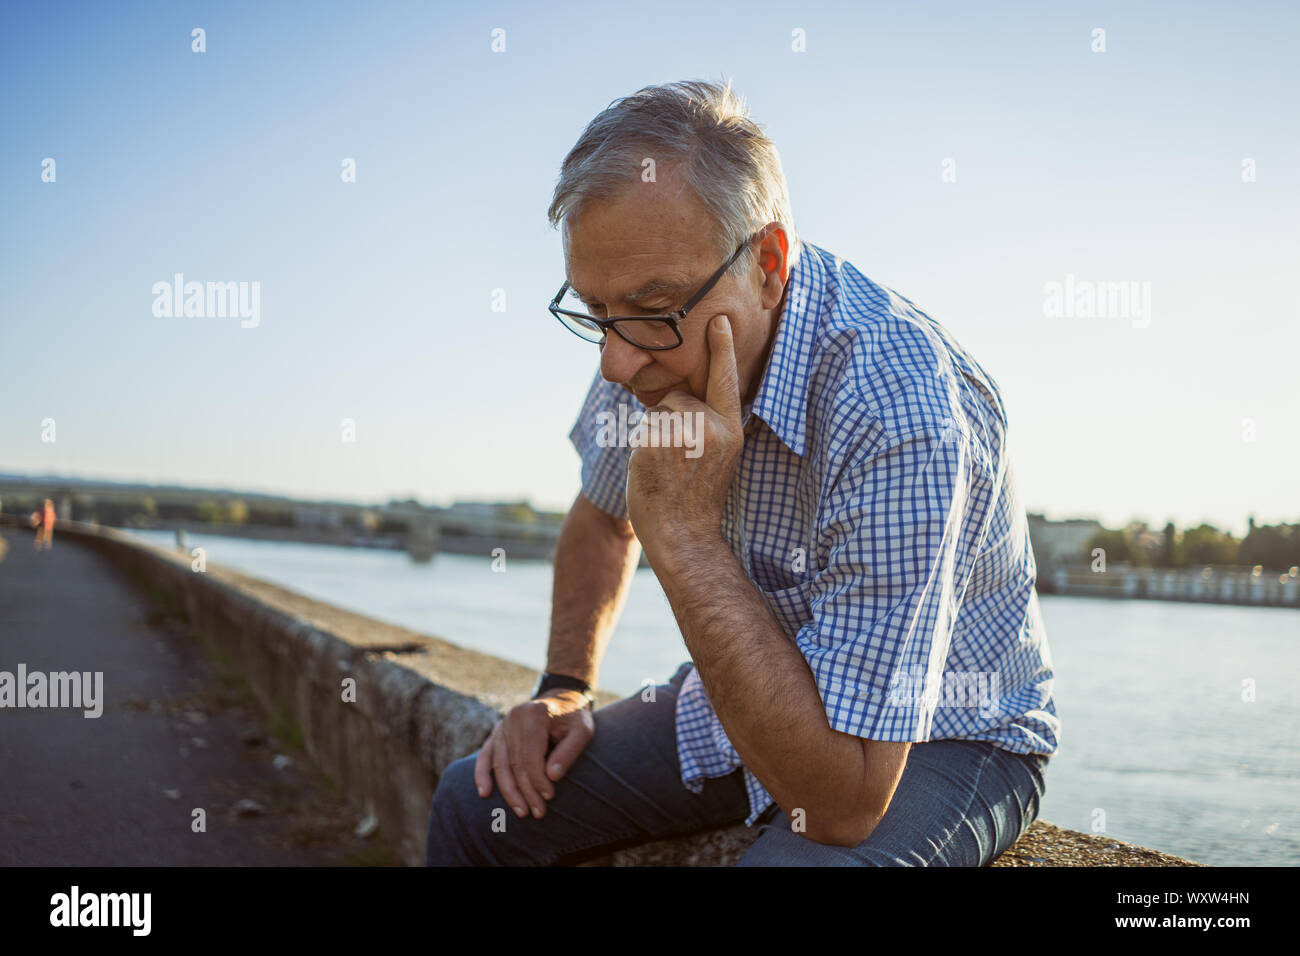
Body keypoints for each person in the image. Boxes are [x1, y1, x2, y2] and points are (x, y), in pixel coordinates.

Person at [426, 79, 1060, 866]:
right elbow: (600, 514)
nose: (616, 363)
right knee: (474, 799)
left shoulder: (904, 411)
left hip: (941, 735)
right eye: (595, 314)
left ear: (767, 263)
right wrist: (564, 684)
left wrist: (686, 541)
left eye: (650, 312)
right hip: (749, 691)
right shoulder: (651, 338)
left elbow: (842, 805)